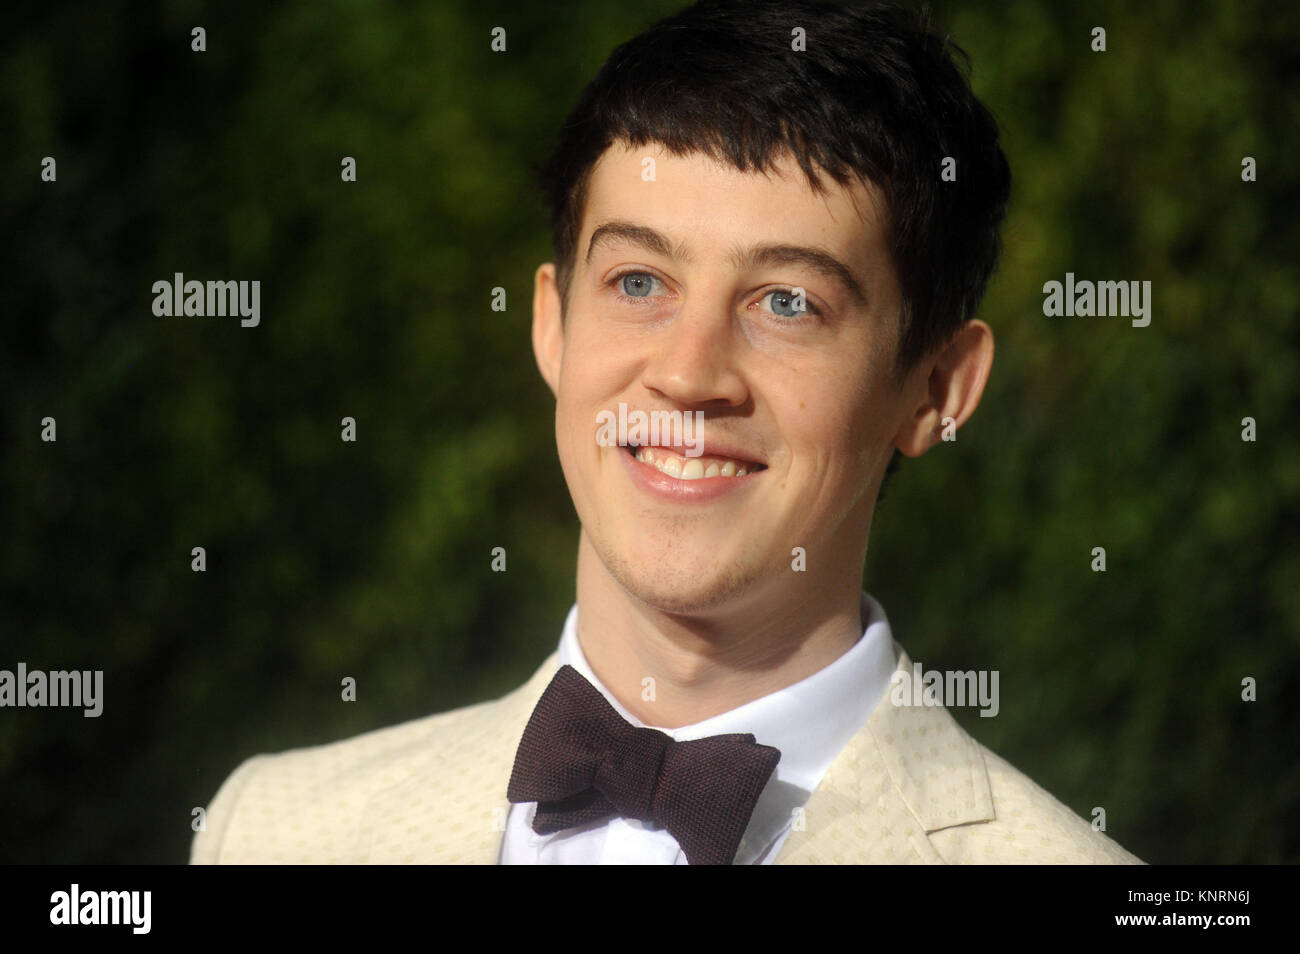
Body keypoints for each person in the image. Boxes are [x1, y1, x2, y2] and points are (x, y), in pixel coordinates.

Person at [191, 0, 1142, 865]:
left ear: (936, 389)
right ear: (553, 326)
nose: (687, 374)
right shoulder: (272, 832)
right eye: (639, 281)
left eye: (786, 302)